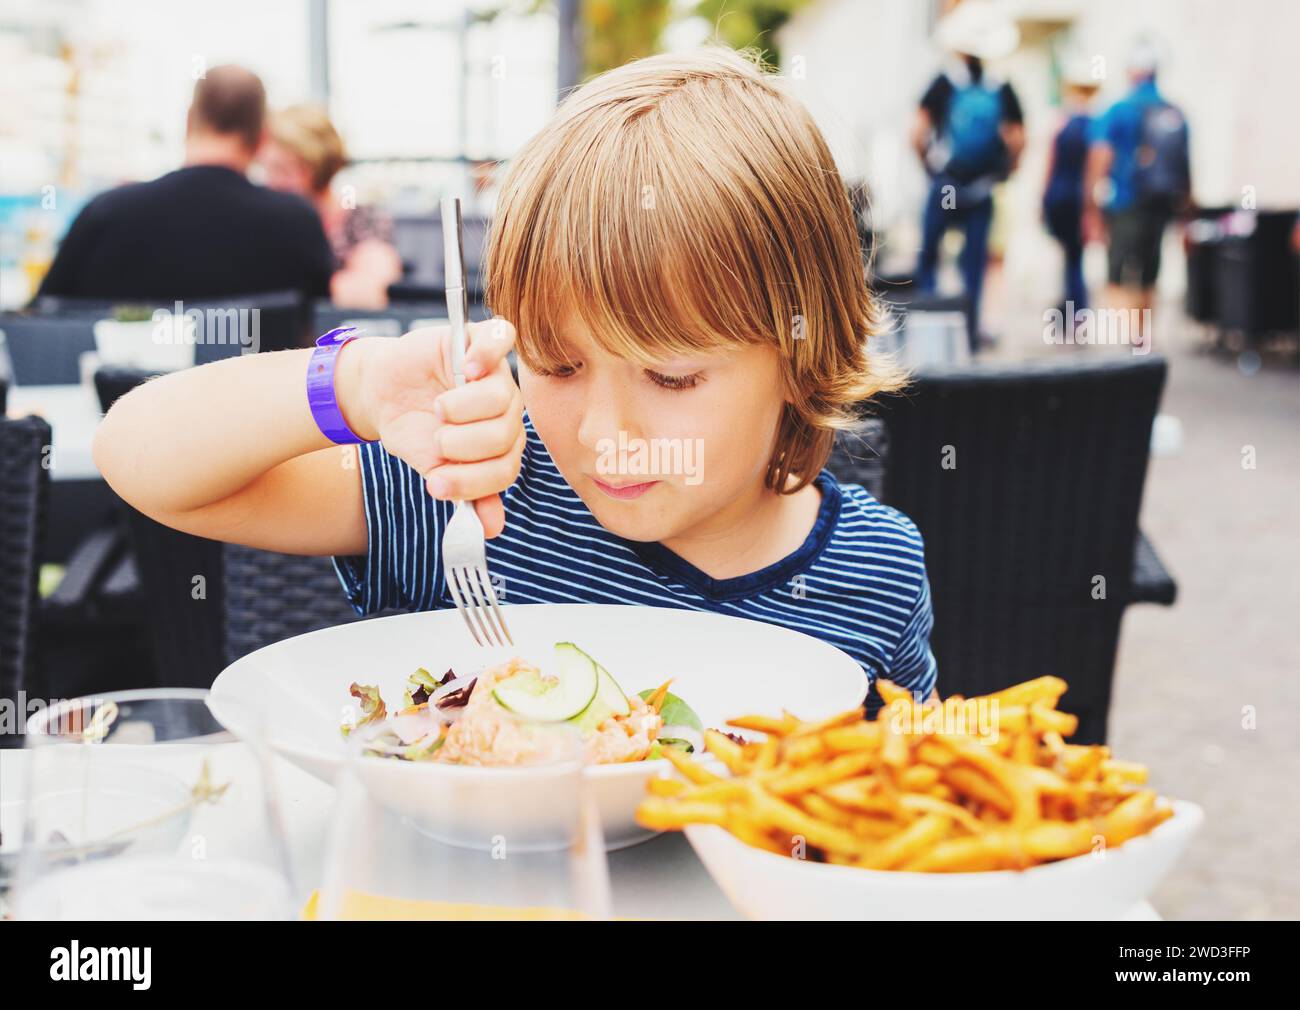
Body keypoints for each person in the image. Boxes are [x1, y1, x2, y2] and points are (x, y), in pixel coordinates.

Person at [93, 48, 939, 702]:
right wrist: (355, 386)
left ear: (801, 351)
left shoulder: (877, 572)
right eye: (559, 365)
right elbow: (140, 460)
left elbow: (915, 806)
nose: (607, 434)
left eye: (673, 378)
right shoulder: (475, 494)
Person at [36, 66, 334, 306]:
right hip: (256, 382)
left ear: (189, 123)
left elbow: (40, 317)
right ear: (262, 139)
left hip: (135, 383)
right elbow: (321, 325)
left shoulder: (106, 213)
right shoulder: (298, 222)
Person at [912, 0, 1024, 351]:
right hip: (982, 188)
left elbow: (916, 132)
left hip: (946, 183)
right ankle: (969, 334)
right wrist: (1005, 170)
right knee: (974, 264)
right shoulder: (1001, 85)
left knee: (929, 255)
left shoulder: (944, 82)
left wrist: (930, 169)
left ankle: (926, 330)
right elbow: (1019, 138)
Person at [1084, 40, 1191, 346]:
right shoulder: (1173, 111)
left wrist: (1090, 205)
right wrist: (1186, 213)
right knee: (1149, 270)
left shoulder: (1118, 110)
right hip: (1160, 202)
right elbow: (1185, 167)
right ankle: (1143, 335)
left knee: (1117, 269)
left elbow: (1099, 158)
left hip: (1125, 201)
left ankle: (1122, 336)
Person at [259, 105, 403, 309]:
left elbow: (369, 291)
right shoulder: (272, 222)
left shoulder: (364, 219)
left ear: (316, 165)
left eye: (283, 169)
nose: (272, 182)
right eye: (267, 169)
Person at [1042, 62, 1101, 334]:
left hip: (1060, 196)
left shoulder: (1063, 123)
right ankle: (1076, 314)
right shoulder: (1094, 126)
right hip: (1076, 199)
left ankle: (1073, 313)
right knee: (1074, 258)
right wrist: (1091, 207)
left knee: (1070, 258)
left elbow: (1050, 163)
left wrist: (1042, 198)